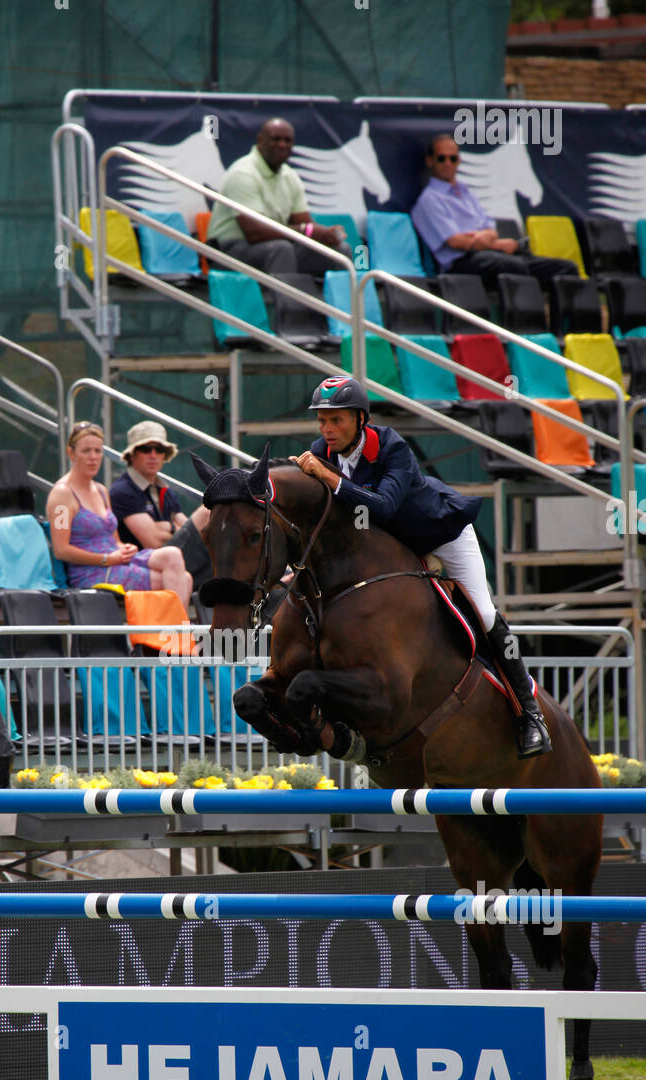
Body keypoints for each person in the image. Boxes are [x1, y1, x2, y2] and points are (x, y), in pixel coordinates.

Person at [290, 375, 552, 758]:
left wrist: (326, 477)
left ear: (361, 419)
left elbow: (382, 507)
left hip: (440, 532)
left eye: (337, 420)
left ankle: (530, 715)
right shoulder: (321, 452)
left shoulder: (392, 446)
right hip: (393, 547)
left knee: (482, 610)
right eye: (322, 421)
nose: (328, 430)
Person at [46, 421, 193, 610]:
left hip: (117, 560)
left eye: (98, 451)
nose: (93, 457)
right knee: (183, 579)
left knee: (172, 555)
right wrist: (107, 558)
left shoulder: (100, 490)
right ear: (71, 453)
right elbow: (61, 550)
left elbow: (114, 540)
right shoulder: (62, 494)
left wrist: (125, 548)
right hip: (91, 572)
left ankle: (173, 632)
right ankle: (179, 633)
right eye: (86, 451)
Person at [411, 133, 579, 287]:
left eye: (453, 158)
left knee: (565, 269)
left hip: (493, 255)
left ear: (459, 161)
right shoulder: (428, 200)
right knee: (513, 266)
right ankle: (521, 319)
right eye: (441, 158)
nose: (448, 163)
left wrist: (486, 238)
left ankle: (561, 320)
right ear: (430, 161)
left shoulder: (466, 192)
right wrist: (496, 244)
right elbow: (456, 241)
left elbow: (490, 228)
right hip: (461, 263)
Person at [205, 118, 348, 278]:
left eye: (288, 140)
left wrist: (324, 234)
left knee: (340, 252)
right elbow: (255, 233)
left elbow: (304, 223)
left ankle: (346, 303)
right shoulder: (243, 173)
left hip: (271, 246)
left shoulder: (290, 175)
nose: (282, 145)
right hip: (228, 251)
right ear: (260, 140)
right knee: (280, 249)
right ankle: (289, 304)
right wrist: (307, 231)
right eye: (276, 139)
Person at [110, 420, 212, 586]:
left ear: (165, 454)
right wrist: (174, 527)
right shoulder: (123, 491)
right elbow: (154, 543)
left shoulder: (164, 489)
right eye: (145, 449)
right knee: (206, 513)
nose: (153, 455)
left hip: (172, 561)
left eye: (159, 449)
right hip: (147, 565)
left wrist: (167, 527)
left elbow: (190, 531)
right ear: (132, 454)